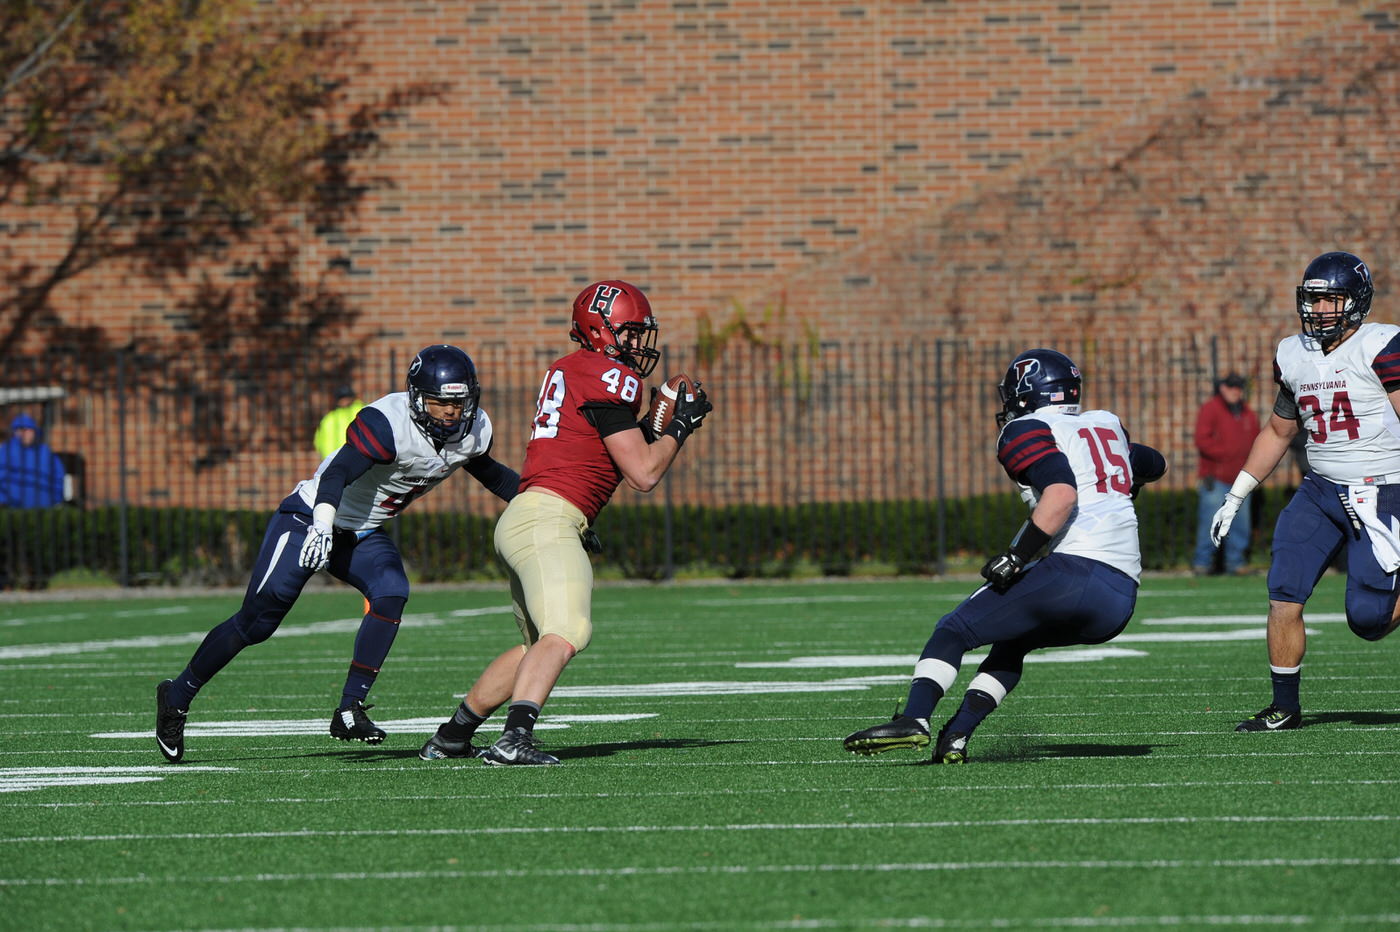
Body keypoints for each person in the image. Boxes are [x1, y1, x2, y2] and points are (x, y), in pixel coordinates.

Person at [154, 345, 519, 763]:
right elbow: (337, 473)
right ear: (418, 398)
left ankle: (349, 709)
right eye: (440, 402)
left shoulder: (472, 432)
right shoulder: (388, 423)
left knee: (391, 591)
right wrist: (322, 526)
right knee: (256, 622)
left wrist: (554, 510)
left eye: (458, 402)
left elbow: (493, 475)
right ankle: (177, 696)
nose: (451, 413)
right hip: (309, 519)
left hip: (361, 532)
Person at [418, 280, 713, 766]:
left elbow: (609, 450)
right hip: (548, 518)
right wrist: (679, 428)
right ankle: (515, 740)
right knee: (567, 629)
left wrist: (660, 427)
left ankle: (453, 735)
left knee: (535, 645)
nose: (639, 345)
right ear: (603, 331)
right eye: (631, 333)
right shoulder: (604, 375)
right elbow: (643, 472)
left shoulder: (574, 371)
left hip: (532, 516)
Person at [842, 348, 1166, 763]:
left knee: (953, 630)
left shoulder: (1027, 428)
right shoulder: (1107, 425)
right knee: (1012, 644)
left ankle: (914, 718)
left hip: (1075, 571)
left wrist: (1016, 556)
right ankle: (955, 736)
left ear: (1026, 393)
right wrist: (1128, 478)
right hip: (1120, 596)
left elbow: (1062, 494)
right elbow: (1156, 463)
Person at [1208, 250, 1400, 733]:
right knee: (1284, 594)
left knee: (1369, 620)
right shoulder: (1292, 353)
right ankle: (1284, 706)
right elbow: (1278, 431)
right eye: (1312, 300)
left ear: (1356, 302)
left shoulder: (1383, 346)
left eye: (1331, 300)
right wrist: (1237, 495)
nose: (1318, 310)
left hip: (1381, 488)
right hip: (1319, 491)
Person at [1191, 373, 1259, 575]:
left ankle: (1235, 563)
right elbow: (1202, 440)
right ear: (1223, 388)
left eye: (1238, 388)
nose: (1235, 391)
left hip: (1241, 478)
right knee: (1210, 521)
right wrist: (1228, 453)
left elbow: (1256, 440)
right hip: (1216, 478)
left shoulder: (1247, 413)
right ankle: (1203, 562)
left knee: (1240, 524)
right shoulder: (1211, 409)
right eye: (1231, 387)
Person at [0, 413, 66, 508]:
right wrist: (3, 500)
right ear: (15, 432)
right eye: (21, 430)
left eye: (28, 430)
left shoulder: (45, 451)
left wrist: (56, 499)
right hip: (13, 508)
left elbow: (58, 476)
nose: (25, 433)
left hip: (44, 507)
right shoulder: (6, 451)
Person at [315, 385, 366, 461]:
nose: (344, 400)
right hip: (334, 461)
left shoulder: (362, 410)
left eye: (346, 397)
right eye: (341, 398)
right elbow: (319, 441)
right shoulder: (329, 418)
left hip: (360, 460)